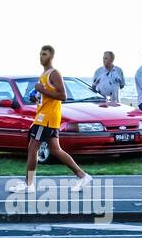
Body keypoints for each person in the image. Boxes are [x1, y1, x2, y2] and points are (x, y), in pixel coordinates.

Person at [13, 45, 91, 193]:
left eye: (44, 54)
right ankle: (82, 176)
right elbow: (47, 95)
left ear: (51, 56)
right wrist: (37, 95)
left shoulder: (54, 74)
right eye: (40, 54)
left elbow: (63, 96)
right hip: (43, 116)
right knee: (55, 150)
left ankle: (29, 184)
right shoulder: (43, 74)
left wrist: (42, 90)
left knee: (32, 148)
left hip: (46, 118)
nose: (41, 57)